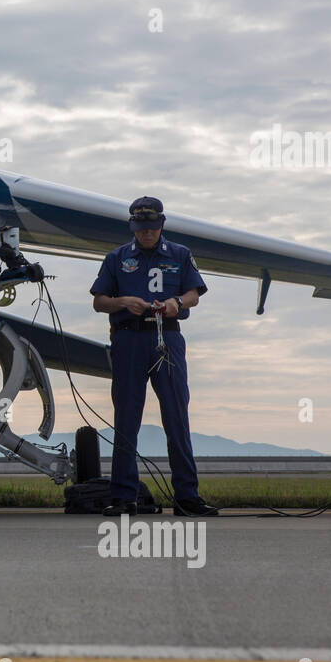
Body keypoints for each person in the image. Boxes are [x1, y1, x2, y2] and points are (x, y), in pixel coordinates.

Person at [89, 197, 219, 517]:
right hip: (129, 338)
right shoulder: (117, 258)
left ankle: (187, 496)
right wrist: (123, 302)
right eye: (140, 228)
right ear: (132, 227)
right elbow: (99, 301)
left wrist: (178, 302)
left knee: (176, 418)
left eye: (151, 227)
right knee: (126, 420)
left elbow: (194, 294)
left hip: (168, 336)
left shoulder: (180, 254)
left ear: (161, 225)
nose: (146, 233)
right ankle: (123, 497)